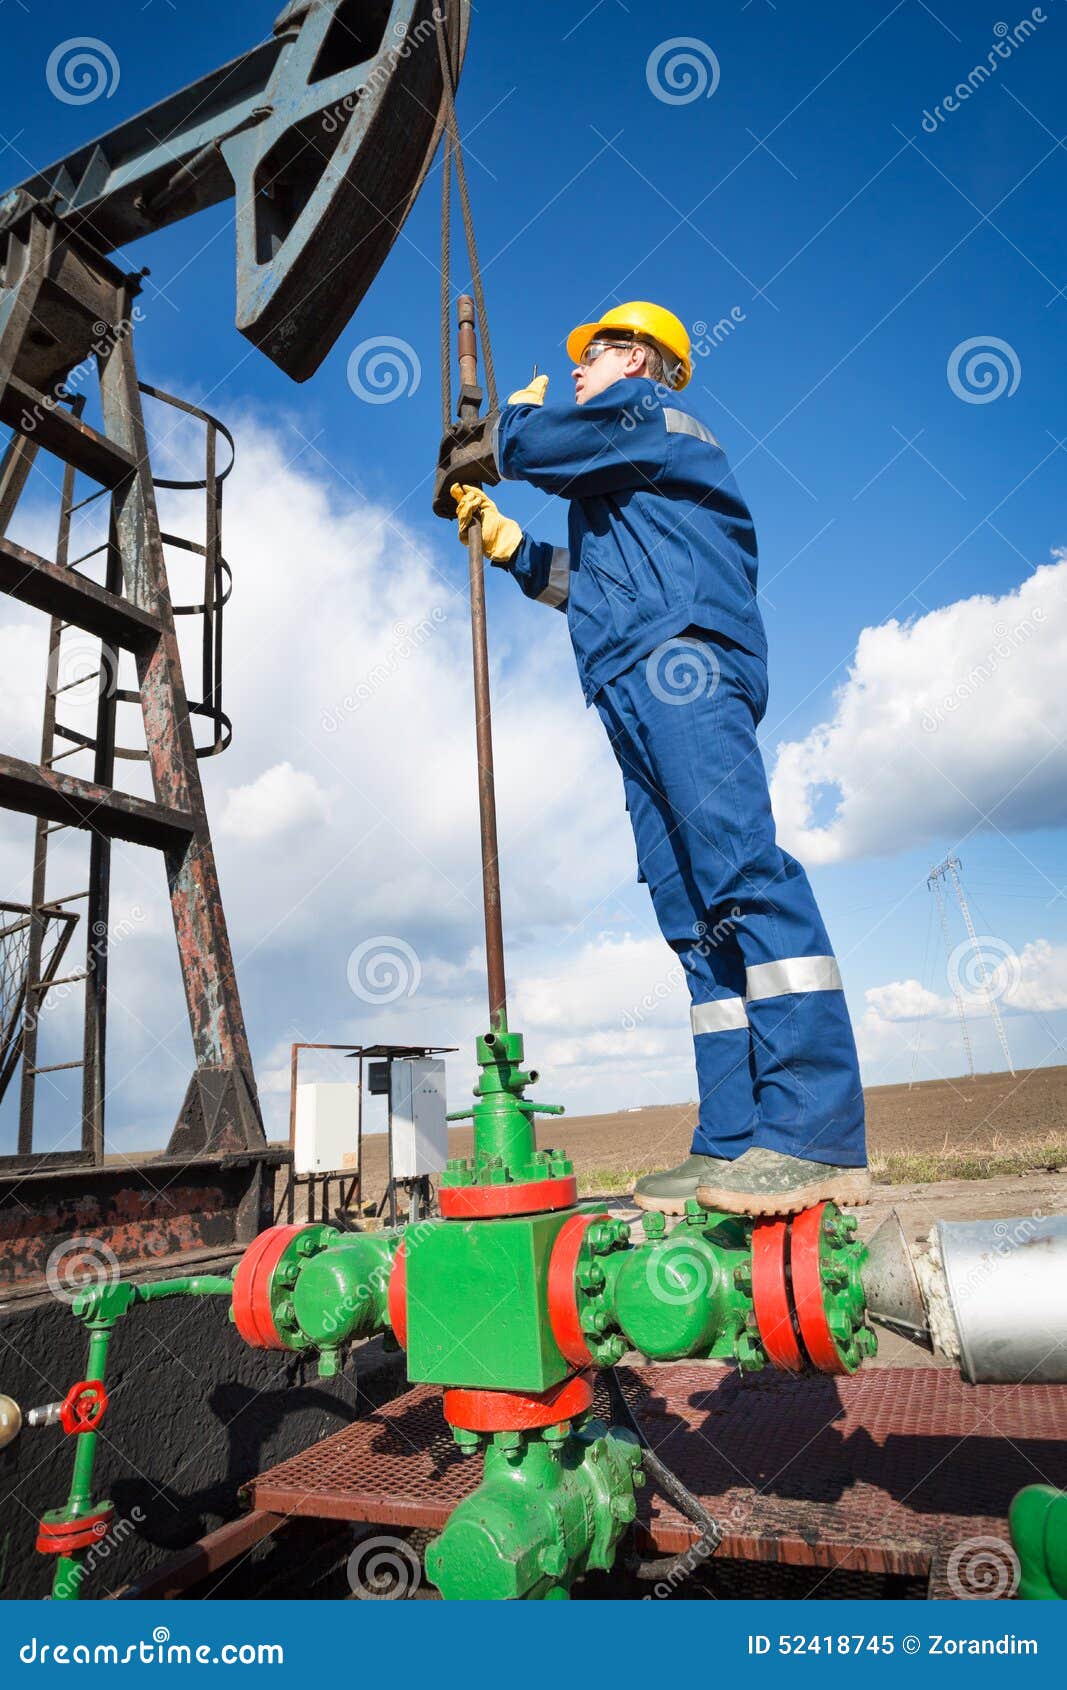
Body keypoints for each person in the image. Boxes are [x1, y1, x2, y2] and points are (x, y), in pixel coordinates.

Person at [451, 302, 868, 1217]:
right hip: (628, 674)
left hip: (682, 663)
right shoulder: (625, 481)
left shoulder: (652, 418)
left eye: (592, 354)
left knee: (741, 872)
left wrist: (508, 427)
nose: (576, 369)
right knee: (690, 914)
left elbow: (536, 445)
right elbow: (597, 587)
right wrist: (513, 548)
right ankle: (731, 1138)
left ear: (638, 358)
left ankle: (811, 1133)